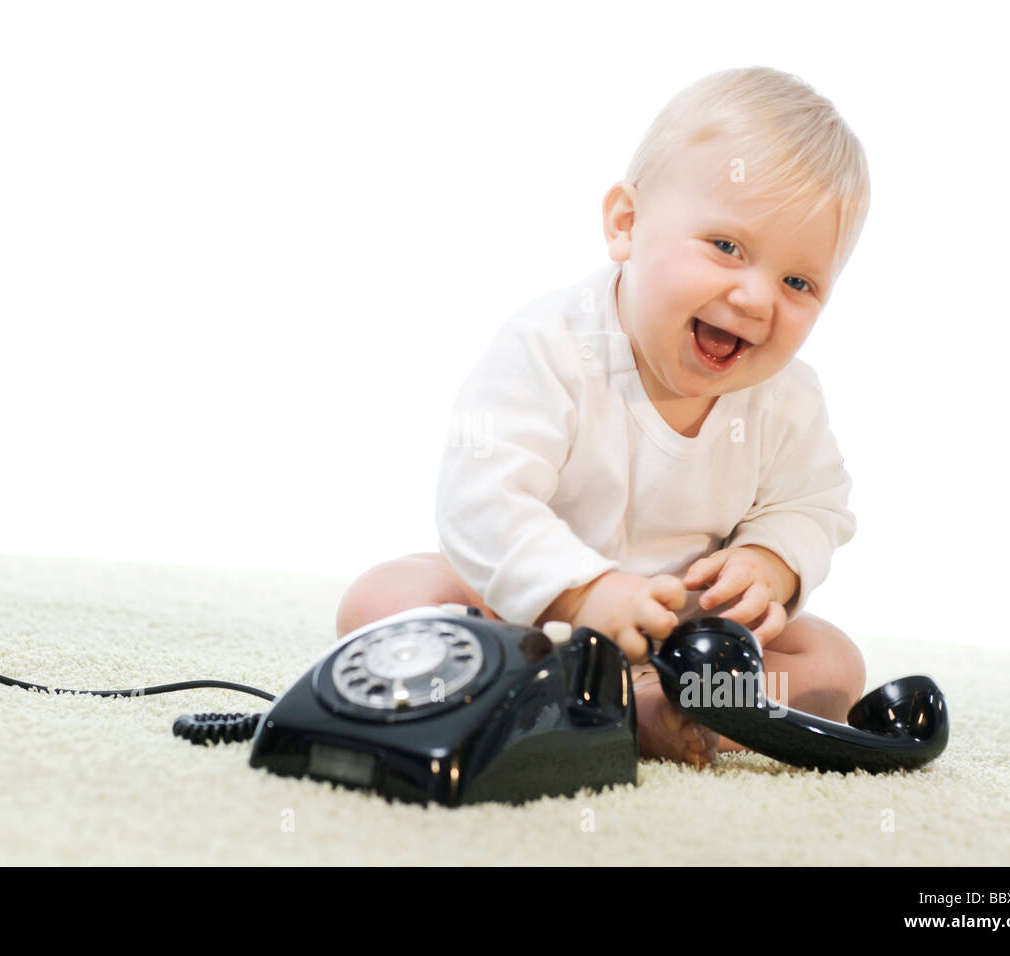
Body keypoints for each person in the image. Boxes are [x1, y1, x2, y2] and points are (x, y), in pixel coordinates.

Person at [335, 66, 869, 766]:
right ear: (627, 224)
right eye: (727, 247)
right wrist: (585, 592)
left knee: (832, 665)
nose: (755, 298)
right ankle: (586, 702)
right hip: (531, 622)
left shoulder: (788, 399)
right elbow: (482, 498)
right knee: (386, 602)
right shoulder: (550, 347)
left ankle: (645, 707)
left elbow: (814, 504)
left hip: (679, 644)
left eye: (799, 282)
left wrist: (770, 561)